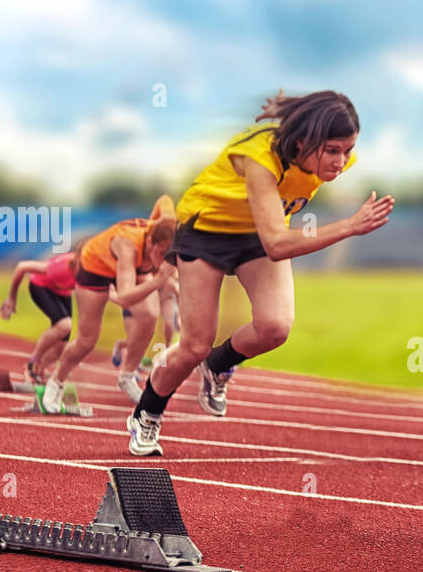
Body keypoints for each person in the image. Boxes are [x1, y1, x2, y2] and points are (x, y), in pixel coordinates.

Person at [126, 89, 393, 456]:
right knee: (193, 345)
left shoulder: (328, 157)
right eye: (333, 151)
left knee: (274, 327)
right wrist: (348, 226)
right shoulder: (258, 157)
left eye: (348, 151)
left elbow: (270, 235)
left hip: (257, 235)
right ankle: (147, 412)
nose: (342, 161)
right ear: (303, 142)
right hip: (208, 234)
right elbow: (277, 245)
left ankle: (217, 365)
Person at [41, 202, 177, 413]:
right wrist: (159, 280)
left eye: (167, 255)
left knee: (150, 315)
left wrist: (160, 220)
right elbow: (124, 298)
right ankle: (56, 381)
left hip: (136, 266)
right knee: (87, 341)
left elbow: (165, 199)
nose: (162, 260)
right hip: (95, 267)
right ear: (149, 241)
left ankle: (126, 375)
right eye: (160, 253)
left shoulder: (166, 229)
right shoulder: (127, 246)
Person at [0, 249, 78, 385]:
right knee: (64, 325)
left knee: (61, 347)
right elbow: (22, 266)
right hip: (40, 285)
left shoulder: (94, 272)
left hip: (62, 291)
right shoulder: (62, 266)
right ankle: (34, 362)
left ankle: (37, 369)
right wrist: (12, 298)